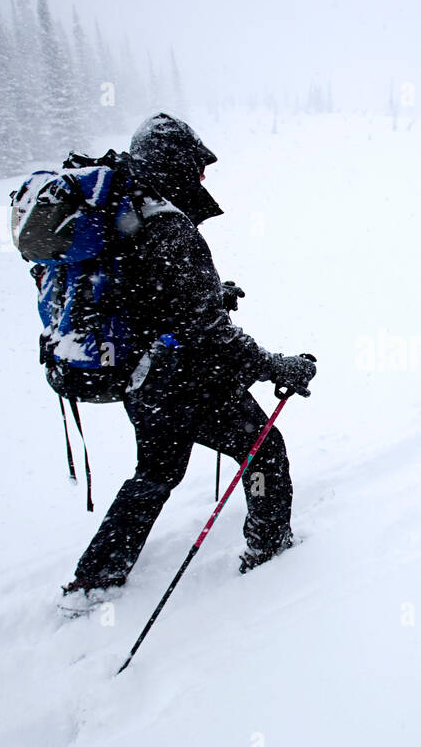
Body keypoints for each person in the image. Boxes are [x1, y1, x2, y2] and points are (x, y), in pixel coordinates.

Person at [63, 113, 317, 596]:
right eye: (197, 169)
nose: (202, 179)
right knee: (263, 450)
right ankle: (268, 544)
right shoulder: (169, 228)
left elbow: (150, 297)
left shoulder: (125, 213)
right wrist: (278, 367)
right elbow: (213, 337)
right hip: (186, 381)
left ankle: (96, 577)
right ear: (175, 164)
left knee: (155, 474)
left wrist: (211, 295)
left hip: (141, 379)